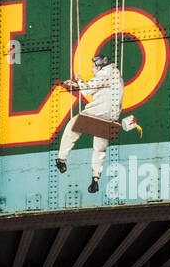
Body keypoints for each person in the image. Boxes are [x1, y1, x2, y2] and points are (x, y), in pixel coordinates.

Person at [56, 54, 141, 192]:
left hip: (96, 114)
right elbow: (100, 87)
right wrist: (78, 84)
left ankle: (61, 159)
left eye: (93, 66)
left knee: (71, 128)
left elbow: (89, 90)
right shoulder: (116, 76)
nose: (92, 69)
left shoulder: (104, 73)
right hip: (111, 118)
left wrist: (79, 80)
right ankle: (95, 179)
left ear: (99, 66)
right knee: (99, 149)